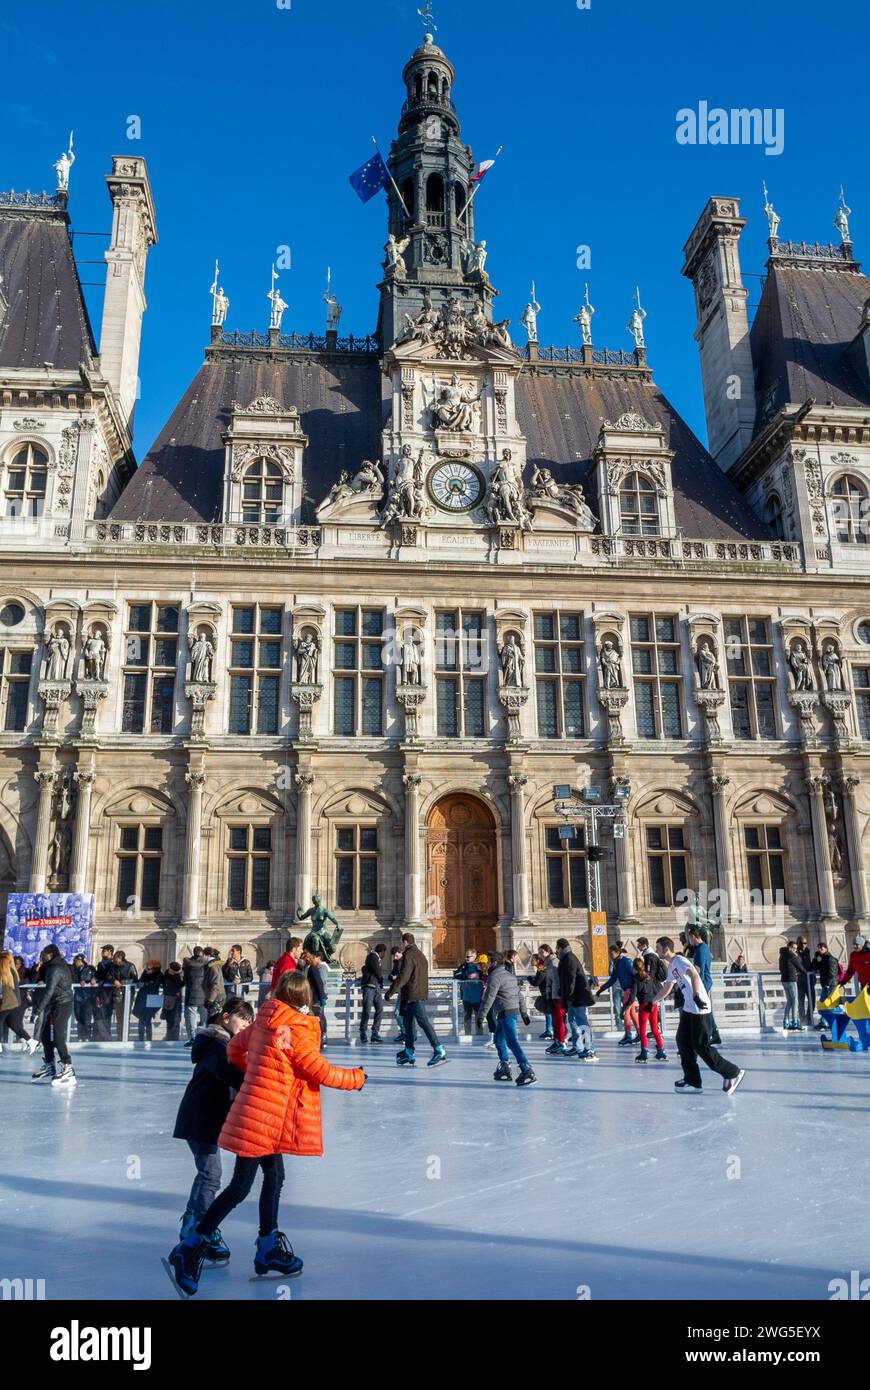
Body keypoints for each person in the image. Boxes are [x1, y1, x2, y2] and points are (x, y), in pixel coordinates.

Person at [167, 969, 365, 1295]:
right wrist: (357, 1078)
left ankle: (267, 1245)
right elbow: (319, 1070)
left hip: (261, 1113)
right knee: (240, 1186)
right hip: (264, 1119)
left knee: (274, 1177)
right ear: (304, 999)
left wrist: (257, 1075)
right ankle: (191, 1246)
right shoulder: (295, 1030)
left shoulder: (263, 1021)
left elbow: (234, 1051)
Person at [173, 996, 254, 1260]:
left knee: (207, 1174)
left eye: (249, 1022)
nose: (245, 1025)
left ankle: (192, 1223)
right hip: (201, 1118)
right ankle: (199, 1231)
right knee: (211, 1175)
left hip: (203, 1117)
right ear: (225, 1016)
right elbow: (229, 1075)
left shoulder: (222, 1043)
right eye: (241, 1018)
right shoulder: (217, 1044)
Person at [652, 937, 744, 1094]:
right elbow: (668, 986)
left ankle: (733, 1072)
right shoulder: (672, 965)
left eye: (658, 948)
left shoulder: (680, 961)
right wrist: (652, 1001)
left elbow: (694, 975)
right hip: (689, 1009)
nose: (656, 951)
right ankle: (692, 1081)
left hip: (699, 1008)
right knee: (682, 1041)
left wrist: (696, 995)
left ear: (666, 949)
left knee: (701, 1047)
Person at [385, 932, 446, 1068]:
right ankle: (409, 1051)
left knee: (423, 1022)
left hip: (414, 995)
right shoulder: (421, 955)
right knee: (408, 1024)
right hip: (413, 995)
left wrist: (391, 991)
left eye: (401, 943)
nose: (400, 946)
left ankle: (438, 1049)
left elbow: (404, 976)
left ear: (405, 942)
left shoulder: (409, 955)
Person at [476, 950, 536, 1086]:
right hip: (509, 1012)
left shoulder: (495, 977)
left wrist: (481, 1016)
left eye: (489, 962)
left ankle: (526, 1068)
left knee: (512, 1042)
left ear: (495, 962)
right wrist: (524, 1012)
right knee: (498, 1040)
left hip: (506, 1012)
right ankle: (504, 1066)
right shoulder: (509, 975)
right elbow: (519, 995)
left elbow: (488, 998)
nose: (487, 964)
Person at [31, 945, 77, 1086]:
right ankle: (50, 1065)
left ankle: (68, 1067)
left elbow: (49, 991)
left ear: (50, 954)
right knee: (45, 1035)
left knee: (58, 1037)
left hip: (63, 1004)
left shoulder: (55, 968)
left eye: (43, 954)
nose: (41, 957)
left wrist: (37, 1011)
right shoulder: (51, 966)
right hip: (54, 1003)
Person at [555, 938, 597, 1061]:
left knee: (582, 1022)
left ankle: (590, 1048)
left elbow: (571, 981)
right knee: (572, 1021)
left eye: (557, 948)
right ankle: (578, 1047)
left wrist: (568, 996)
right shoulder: (565, 959)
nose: (556, 951)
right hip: (571, 997)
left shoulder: (569, 959)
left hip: (577, 997)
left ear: (561, 948)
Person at [596, 943, 638, 1046]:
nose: (610, 956)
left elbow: (635, 975)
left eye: (612, 954)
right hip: (626, 989)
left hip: (630, 990)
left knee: (626, 1012)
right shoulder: (617, 963)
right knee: (632, 1013)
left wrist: (634, 989)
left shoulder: (626, 962)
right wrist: (601, 989)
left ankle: (628, 1035)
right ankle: (640, 1032)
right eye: (609, 954)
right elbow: (613, 979)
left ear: (618, 952)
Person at [0, 950, 39, 1054]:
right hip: (13, 1001)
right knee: (13, 1024)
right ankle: (31, 1041)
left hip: (6, 1001)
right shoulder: (12, 970)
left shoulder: (3, 968)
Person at [630, 956, 667, 1063]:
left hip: (644, 1006)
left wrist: (625, 1007)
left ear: (635, 968)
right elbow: (657, 990)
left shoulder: (636, 979)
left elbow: (632, 997)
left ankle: (644, 1052)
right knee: (655, 1029)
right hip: (653, 1004)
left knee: (642, 1030)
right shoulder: (649, 977)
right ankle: (661, 1051)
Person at [687, 927, 720, 1044]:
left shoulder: (701, 949)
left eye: (689, 938)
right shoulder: (704, 947)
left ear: (693, 936)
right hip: (704, 981)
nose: (689, 941)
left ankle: (711, 1033)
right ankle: (714, 1033)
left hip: (702, 982)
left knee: (703, 1009)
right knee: (704, 1008)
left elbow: (698, 969)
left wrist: (686, 972)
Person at [359, 943, 386, 1044]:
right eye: (384, 953)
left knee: (379, 1008)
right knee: (367, 1009)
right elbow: (376, 970)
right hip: (370, 986)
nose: (384, 956)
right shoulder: (373, 956)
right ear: (382, 951)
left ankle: (375, 1031)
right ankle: (363, 1031)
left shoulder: (374, 958)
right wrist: (381, 979)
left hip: (375, 986)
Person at [453, 949, 484, 1036]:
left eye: (468, 956)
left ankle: (479, 1034)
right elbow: (456, 975)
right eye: (465, 956)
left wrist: (478, 975)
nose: (466, 958)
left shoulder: (479, 966)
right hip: (466, 996)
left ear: (474, 957)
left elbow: (485, 975)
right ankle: (468, 1034)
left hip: (477, 996)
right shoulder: (463, 966)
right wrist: (467, 976)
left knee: (478, 1016)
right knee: (467, 1016)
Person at [133, 959, 164, 1042]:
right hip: (142, 997)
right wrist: (143, 982)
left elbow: (158, 984)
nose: (147, 967)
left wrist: (148, 983)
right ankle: (141, 1038)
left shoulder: (159, 974)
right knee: (141, 1018)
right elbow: (140, 981)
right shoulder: (145, 972)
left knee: (147, 1019)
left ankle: (148, 1039)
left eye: (149, 966)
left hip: (151, 998)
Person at [302, 946, 327, 1044]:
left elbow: (319, 983)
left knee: (318, 1017)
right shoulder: (307, 968)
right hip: (309, 998)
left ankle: (322, 1037)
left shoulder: (312, 968)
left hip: (315, 998)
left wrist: (322, 997)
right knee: (313, 1018)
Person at [183, 948, 209, 1042]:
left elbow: (184, 979)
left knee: (191, 1018)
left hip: (191, 994)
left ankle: (192, 1038)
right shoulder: (206, 963)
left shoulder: (187, 964)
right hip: (204, 994)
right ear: (202, 953)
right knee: (204, 1018)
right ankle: (202, 1037)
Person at [778, 941, 805, 1031]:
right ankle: (794, 1022)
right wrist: (806, 973)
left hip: (784, 980)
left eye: (796, 948)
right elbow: (800, 965)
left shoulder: (782, 955)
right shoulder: (791, 955)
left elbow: (780, 968)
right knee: (795, 1001)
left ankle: (785, 1021)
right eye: (793, 947)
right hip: (791, 980)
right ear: (789, 947)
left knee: (790, 1000)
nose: (795, 950)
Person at [112, 950, 139, 1039]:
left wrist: (123, 983)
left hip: (128, 995)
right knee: (119, 1017)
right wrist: (114, 981)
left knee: (125, 1017)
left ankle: (125, 1037)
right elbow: (109, 976)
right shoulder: (113, 967)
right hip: (117, 994)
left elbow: (135, 980)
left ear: (120, 958)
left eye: (116, 958)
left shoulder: (130, 966)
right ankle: (119, 1037)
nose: (114, 960)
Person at [71, 953, 97, 1041]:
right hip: (78, 996)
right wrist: (79, 981)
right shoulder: (73, 970)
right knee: (78, 1016)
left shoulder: (90, 968)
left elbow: (95, 976)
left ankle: (87, 1036)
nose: (75, 963)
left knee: (87, 1017)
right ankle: (80, 1036)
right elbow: (72, 979)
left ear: (80, 961)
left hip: (88, 996)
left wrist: (93, 980)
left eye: (76, 961)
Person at [94, 943, 117, 1040]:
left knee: (106, 1016)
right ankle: (101, 1036)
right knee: (99, 1016)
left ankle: (107, 1038)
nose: (102, 952)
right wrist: (94, 978)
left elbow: (113, 977)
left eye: (105, 950)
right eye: (103, 950)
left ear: (110, 952)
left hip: (109, 993)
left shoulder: (113, 964)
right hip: (100, 992)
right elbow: (98, 975)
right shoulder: (100, 964)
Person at [529, 953, 552, 1039]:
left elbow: (537, 982)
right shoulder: (541, 967)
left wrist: (530, 979)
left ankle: (550, 1030)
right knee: (547, 1011)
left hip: (547, 992)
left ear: (537, 960)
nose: (531, 961)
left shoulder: (541, 968)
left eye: (533, 959)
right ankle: (549, 1029)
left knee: (548, 1012)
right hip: (546, 991)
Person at [795, 934, 815, 1028]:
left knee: (812, 1000)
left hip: (809, 979)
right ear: (798, 943)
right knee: (801, 1001)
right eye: (802, 943)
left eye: (805, 943)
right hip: (800, 980)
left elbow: (810, 964)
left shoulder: (808, 951)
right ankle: (802, 1019)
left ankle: (809, 1018)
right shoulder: (795, 953)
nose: (804, 945)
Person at [162, 962, 185, 1041]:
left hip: (175, 1001)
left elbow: (181, 984)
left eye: (170, 969)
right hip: (168, 1000)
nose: (168, 970)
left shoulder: (178, 977)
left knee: (175, 1021)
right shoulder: (166, 974)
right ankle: (169, 1038)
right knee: (169, 1020)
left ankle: (174, 1039)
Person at [388, 947, 406, 1044]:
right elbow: (393, 973)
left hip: (406, 991)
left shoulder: (406, 961)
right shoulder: (396, 962)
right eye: (394, 956)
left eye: (396, 955)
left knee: (399, 1013)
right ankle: (404, 1033)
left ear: (401, 953)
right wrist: (392, 977)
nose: (395, 957)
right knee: (398, 1013)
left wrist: (397, 977)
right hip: (400, 991)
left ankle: (406, 1033)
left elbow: (406, 974)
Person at [203, 948, 226, 1015]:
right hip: (216, 996)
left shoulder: (213, 967)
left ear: (206, 955)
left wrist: (210, 999)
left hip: (216, 997)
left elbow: (215, 983)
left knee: (214, 1020)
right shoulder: (213, 965)